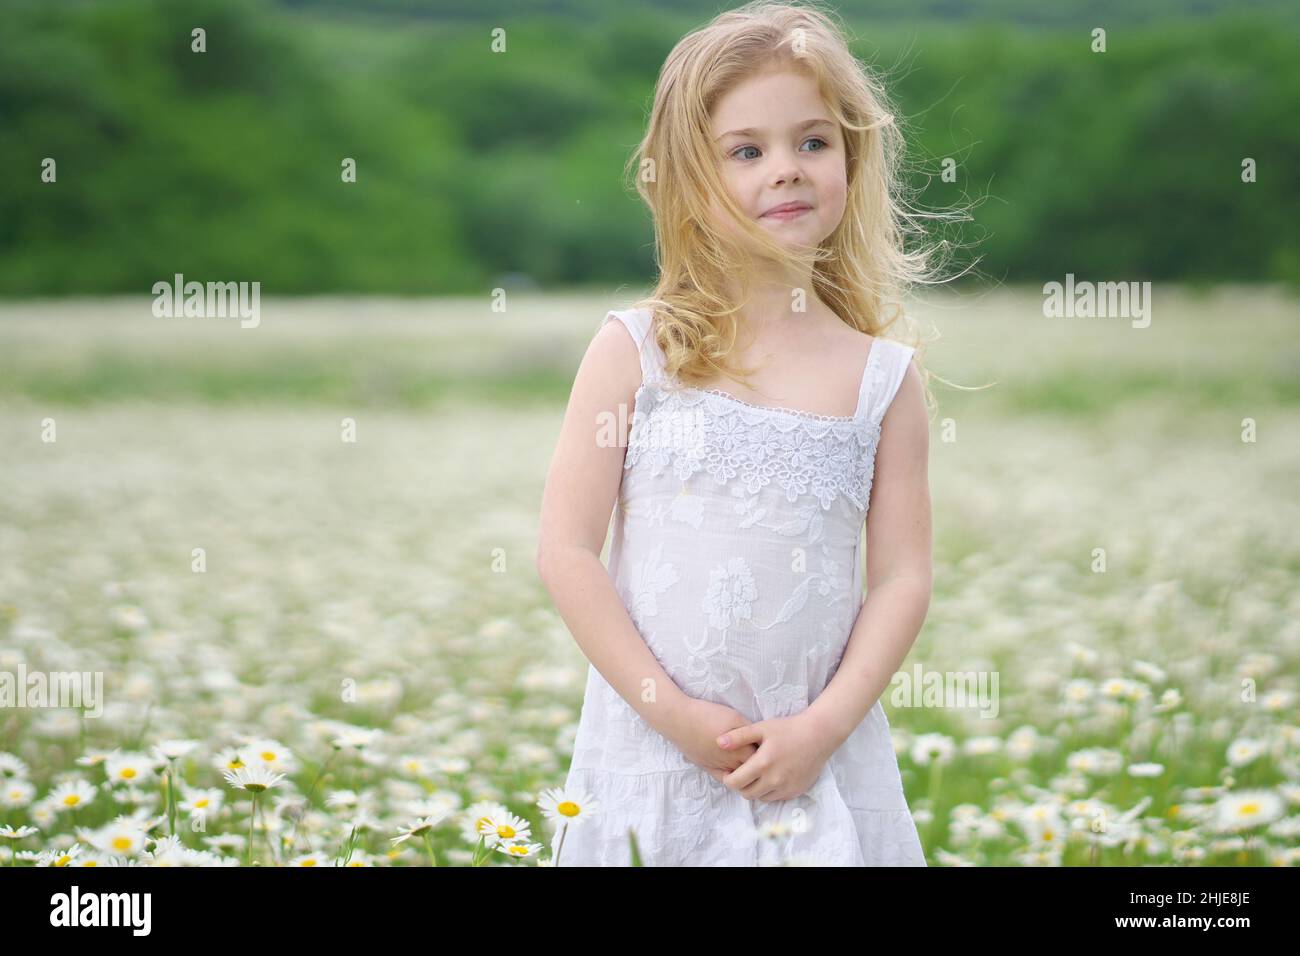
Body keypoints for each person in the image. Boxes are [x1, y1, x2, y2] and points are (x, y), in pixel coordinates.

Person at [537, 0, 946, 866]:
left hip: (818, 759)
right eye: (746, 151)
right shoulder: (637, 353)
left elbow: (903, 577)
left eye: (813, 142)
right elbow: (567, 552)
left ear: (851, 157)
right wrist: (676, 715)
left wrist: (824, 728)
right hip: (656, 749)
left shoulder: (883, 380)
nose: (787, 171)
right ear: (689, 177)